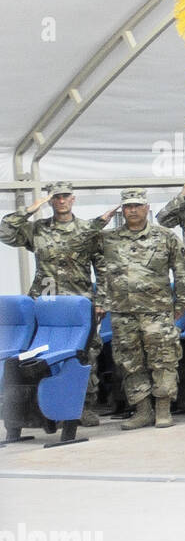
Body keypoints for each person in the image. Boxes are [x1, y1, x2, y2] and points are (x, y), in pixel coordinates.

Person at [0, 180, 116, 426]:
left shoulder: (88, 229)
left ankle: (81, 407)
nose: (61, 201)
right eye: (55, 197)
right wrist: (30, 209)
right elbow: (5, 231)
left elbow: (103, 268)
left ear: (73, 199)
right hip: (47, 304)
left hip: (79, 302)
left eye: (65, 197)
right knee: (44, 355)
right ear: (50, 200)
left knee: (85, 355)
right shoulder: (38, 230)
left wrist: (102, 300)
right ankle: (48, 407)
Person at [94, 188, 185, 430]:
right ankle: (142, 411)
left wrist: (180, 303)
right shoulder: (109, 239)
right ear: (122, 210)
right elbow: (77, 239)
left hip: (157, 313)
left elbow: (183, 272)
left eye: (137, 205)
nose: (133, 210)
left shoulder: (165, 237)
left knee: (163, 360)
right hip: (123, 313)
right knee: (129, 363)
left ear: (147, 208)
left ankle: (163, 410)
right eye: (128, 206)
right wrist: (99, 221)